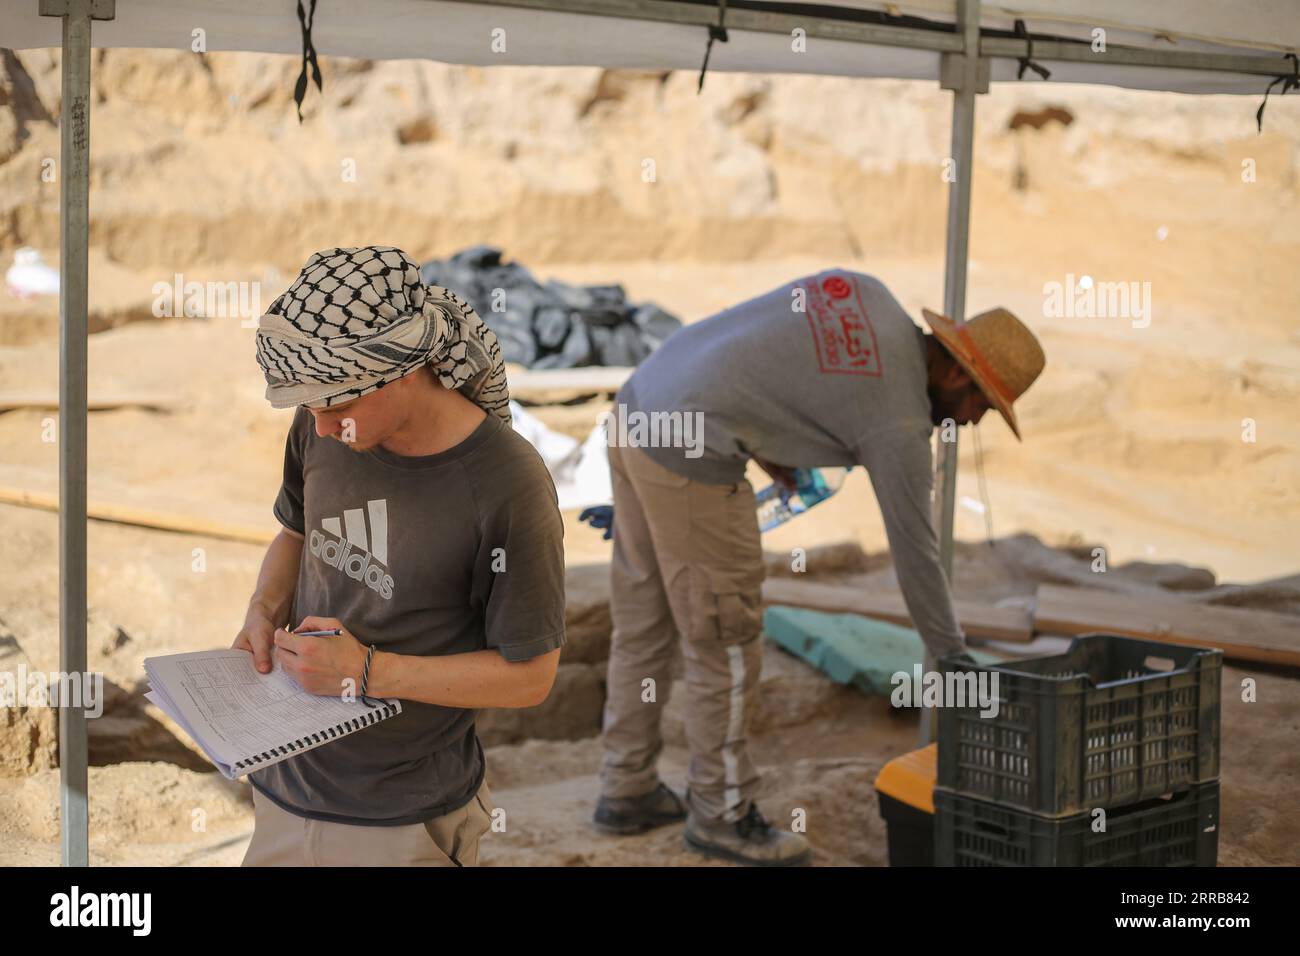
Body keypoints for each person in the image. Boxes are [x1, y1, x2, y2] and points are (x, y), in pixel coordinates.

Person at [590, 268, 1046, 866]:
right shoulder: (901, 421)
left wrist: (765, 438)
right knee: (724, 639)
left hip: (641, 406)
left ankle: (626, 790)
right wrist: (953, 655)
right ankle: (722, 817)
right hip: (688, 448)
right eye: (979, 407)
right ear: (957, 372)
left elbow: (770, 361)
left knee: (644, 625)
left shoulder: (870, 295)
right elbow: (917, 554)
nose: (968, 424)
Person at [235, 246, 566, 867]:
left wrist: (366, 673)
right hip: (283, 783)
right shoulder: (321, 419)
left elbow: (531, 676)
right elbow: (297, 532)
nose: (324, 427)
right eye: (311, 407)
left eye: (336, 407)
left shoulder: (506, 485)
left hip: (400, 816)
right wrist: (261, 610)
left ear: (403, 370)